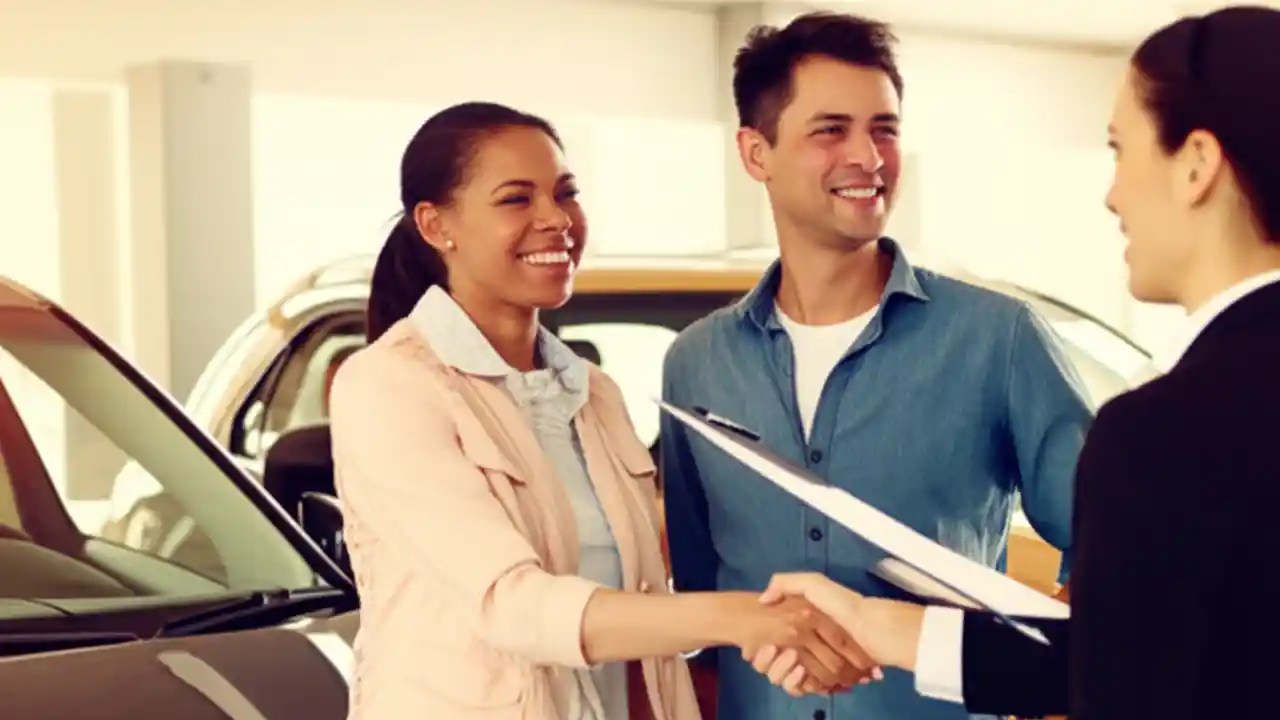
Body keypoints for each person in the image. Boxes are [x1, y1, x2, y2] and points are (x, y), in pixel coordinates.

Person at [752, 6, 1280, 719]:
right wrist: (880, 626)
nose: (1111, 193)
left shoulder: (1162, 436)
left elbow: (1125, 678)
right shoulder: (699, 360)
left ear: (1196, 165)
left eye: (1120, 149)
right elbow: (1134, 649)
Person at [328, 101, 875, 720]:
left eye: (566, 193)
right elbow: (510, 606)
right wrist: (742, 617)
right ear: (435, 224)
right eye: (516, 199)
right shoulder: (388, 387)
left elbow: (639, 604)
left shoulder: (591, 392)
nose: (555, 219)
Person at [659, 11, 1093, 720]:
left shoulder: (999, 339)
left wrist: (1039, 673)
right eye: (830, 130)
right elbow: (704, 595)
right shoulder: (697, 364)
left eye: (884, 128)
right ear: (755, 152)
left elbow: (1106, 541)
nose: (869, 155)